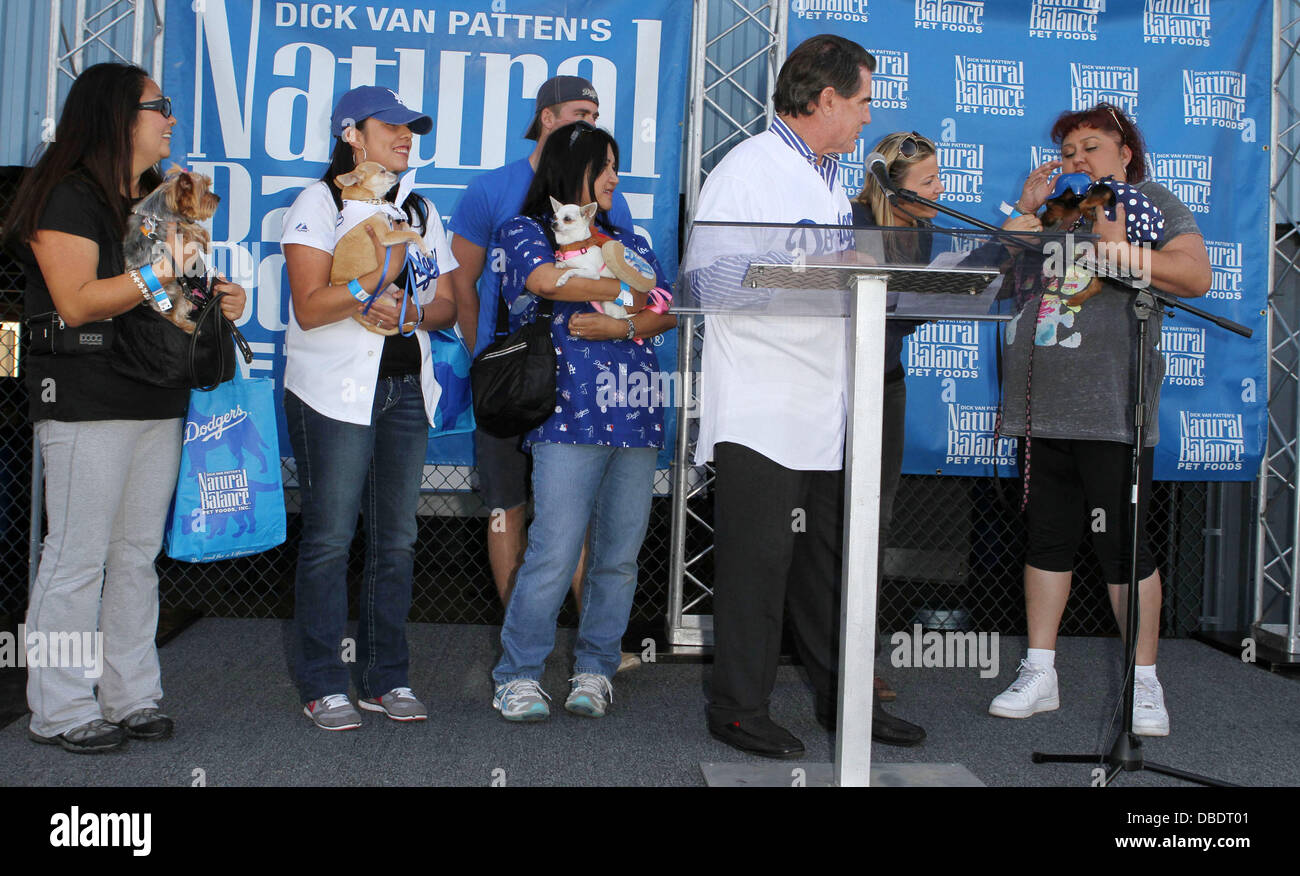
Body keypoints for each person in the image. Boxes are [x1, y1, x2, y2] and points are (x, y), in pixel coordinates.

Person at [693, 34, 924, 759]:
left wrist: (838, 269)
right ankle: (738, 709)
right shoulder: (750, 168)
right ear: (824, 100)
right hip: (764, 407)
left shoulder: (827, 179)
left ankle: (846, 701)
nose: (865, 120)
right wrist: (823, 265)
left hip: (829, 404)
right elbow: (709, 284)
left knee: (831, 566)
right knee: (758, 564)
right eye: (859, 104)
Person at [4, 63, 246, 752]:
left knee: (135, 554)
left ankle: (132, 694)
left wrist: (220, 299)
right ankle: (60, 707)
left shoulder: (156, 201)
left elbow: (174, 300)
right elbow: (79, 299)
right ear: (117, 114)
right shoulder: (66, 194)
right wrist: (159, 272)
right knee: (77, 554)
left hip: (156, 392)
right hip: (86, 398)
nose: (170, 117)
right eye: (157, 105)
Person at [988, 102, 1211, 736]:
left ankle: (1145, 682)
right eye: (1067, 151)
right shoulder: (1059, 211)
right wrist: (1025, 212)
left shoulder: (1149, 203)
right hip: (1042, 403)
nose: (1077, 160)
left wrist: (1122, 254)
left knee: (1125, 550)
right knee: (1047, 540)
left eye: (1091, 146)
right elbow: (997, 277)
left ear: (1125, 153)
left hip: (1113, 407)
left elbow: (1196, 274)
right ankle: (1040, 670)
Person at [279, 86, 458, 730]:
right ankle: (324, 682)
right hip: (331, 391)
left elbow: (445, 306)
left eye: (414, 128)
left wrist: (408, 309)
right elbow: (308, 305)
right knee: (329, 539)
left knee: (398, 540)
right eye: (393, 127)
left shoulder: (422, 207)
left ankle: (386, 677)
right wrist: (369, 285)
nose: (407, 136)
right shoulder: (317, 202)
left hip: (405, 388)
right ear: (352, 134)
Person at [447, 79, 639, 673]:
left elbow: (643, 289)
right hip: (512, 374)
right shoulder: (493, 190)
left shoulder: (609, 201)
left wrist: (630, 306)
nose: (589, 123)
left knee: (570, 515)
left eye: (597, 115)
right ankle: (519, 643)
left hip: (583, 384)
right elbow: (462, 279)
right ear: (546, 118)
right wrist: (487, 353)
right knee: (508, 506)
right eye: (579, 114)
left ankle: (588, 646)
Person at [489, 121, 676, 721]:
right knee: (552, 549)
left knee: (618, 555)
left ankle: (595, 670)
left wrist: (618, 320)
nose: (616, 179)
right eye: (607, 168)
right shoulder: (524, 230)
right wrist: (627, 290)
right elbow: (543, 280)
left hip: (637, 411)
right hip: (567, 414)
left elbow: (666, 307)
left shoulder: (632, 236)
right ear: (577, 173)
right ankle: (518, 675)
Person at [850, 130, 945, 705]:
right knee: (828, 517)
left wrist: (937, 294)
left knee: (876, 520)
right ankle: (819, 647)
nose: (940, 189)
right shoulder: (852, 217)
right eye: (929, 181)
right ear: (891, 183)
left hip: (887, 381)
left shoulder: (925, 230)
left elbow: (907, 316)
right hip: (838, 384)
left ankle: (861, 656)